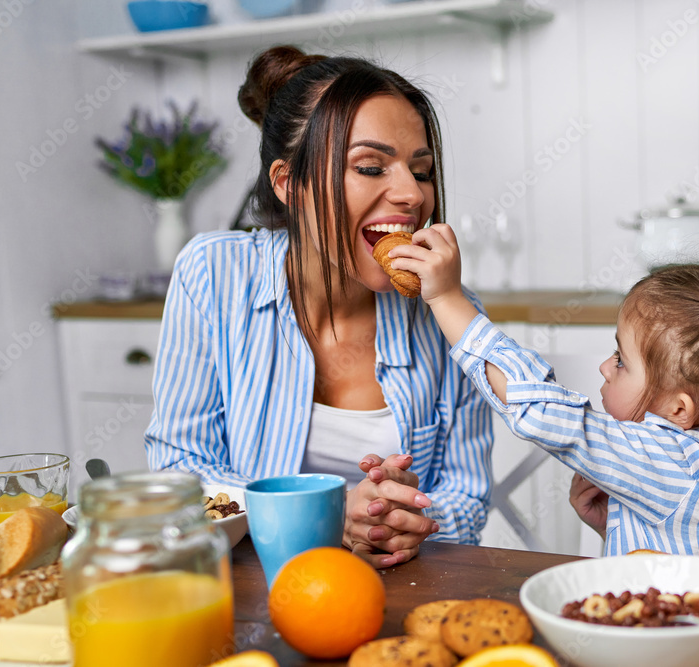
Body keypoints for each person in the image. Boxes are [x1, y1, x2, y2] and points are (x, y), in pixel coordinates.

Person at [144, 46, 494, 569]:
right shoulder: (213, 275)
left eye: (420, 172)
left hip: (399, 590)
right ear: (289, 183)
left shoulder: (449, 313)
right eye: (372, 167)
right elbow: (179, 472)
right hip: (249, 586)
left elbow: (466, 500)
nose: (412, 195)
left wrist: (403, 521)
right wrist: (326, 515)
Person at [391, 224, 699, 565]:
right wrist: (615, 524)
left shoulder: (672, 457)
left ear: (679, 410)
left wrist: (447, 299)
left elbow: (537, 408)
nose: (605, 367)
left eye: (621, 360)